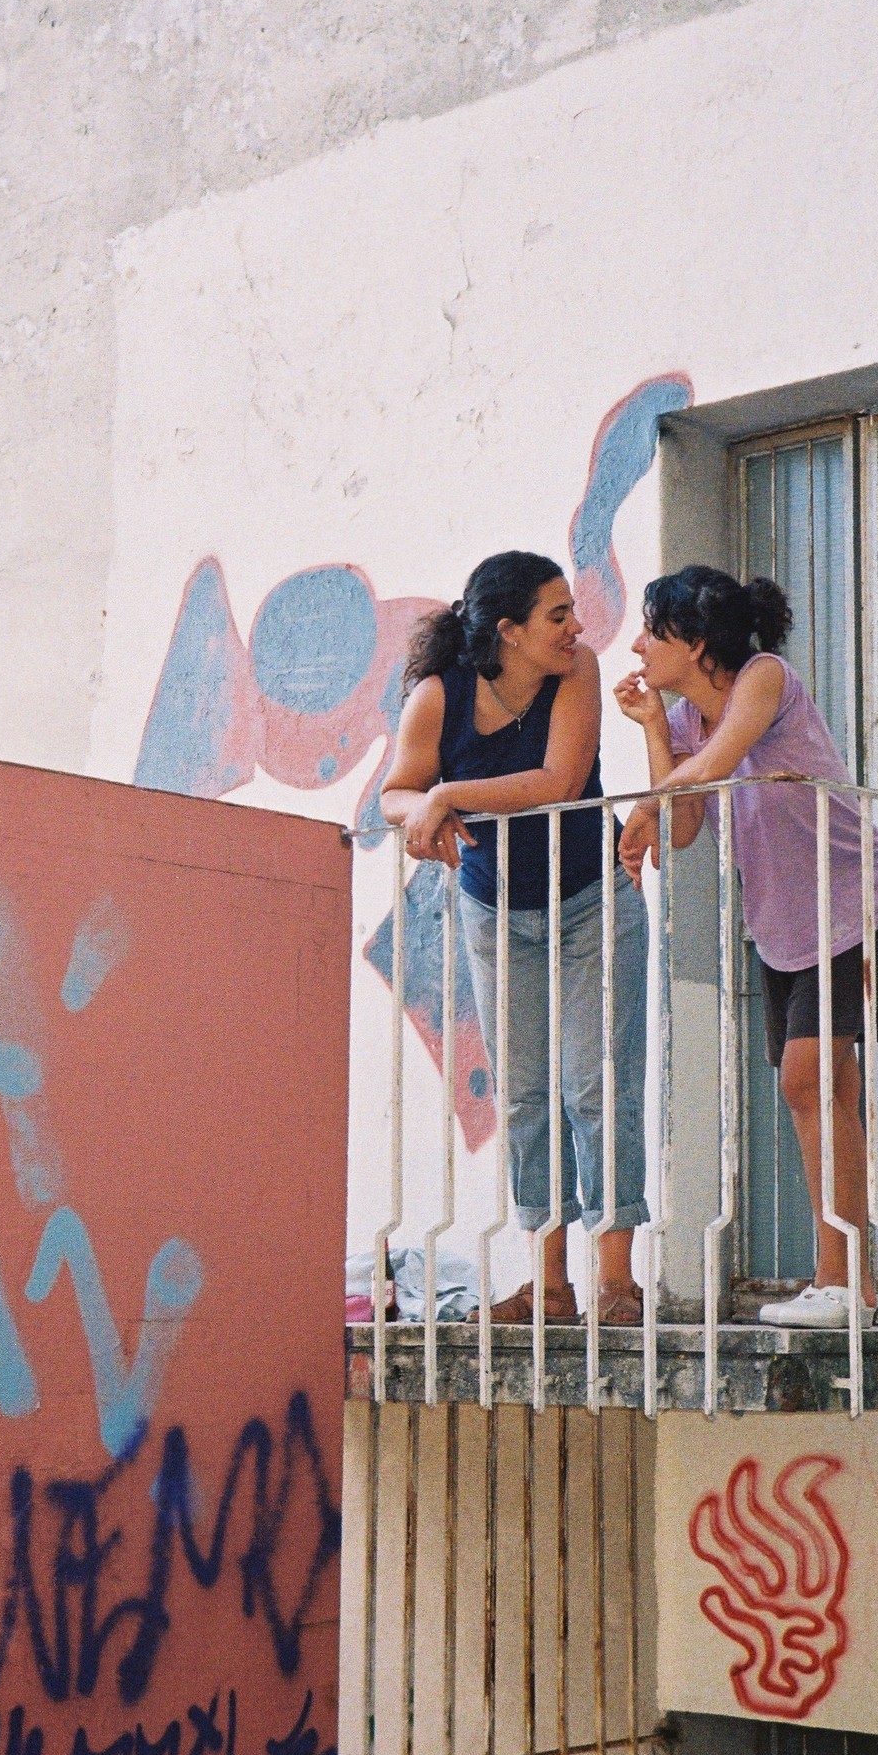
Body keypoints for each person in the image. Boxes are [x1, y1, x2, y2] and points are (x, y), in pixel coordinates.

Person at [614, 565, 878, 1331]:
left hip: (851, 901)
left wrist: (649, 803)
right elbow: (684, 827)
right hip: (783, 923)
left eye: (652, 630)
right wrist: (651, 731)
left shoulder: (764, 679)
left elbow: (706, 772)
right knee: (825, 1086)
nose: (638, 645)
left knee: (806, 1080)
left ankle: (841, 1281)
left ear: (696, 641)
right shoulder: (683, 722)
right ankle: (855, 1289)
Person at [381, 551, 649, 1326]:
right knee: (527, 1095)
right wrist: (416, 811)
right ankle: (550, 1285)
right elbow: (396, 790)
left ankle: (617, 1282)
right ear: (509, 631)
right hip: (494, 910)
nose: (576, 626)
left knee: (598, 1085)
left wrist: (447, 795)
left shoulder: (579, 673)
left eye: (572, 612)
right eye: (557, 615)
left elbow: (560, 783)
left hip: (593, 898)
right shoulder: (438, 698)